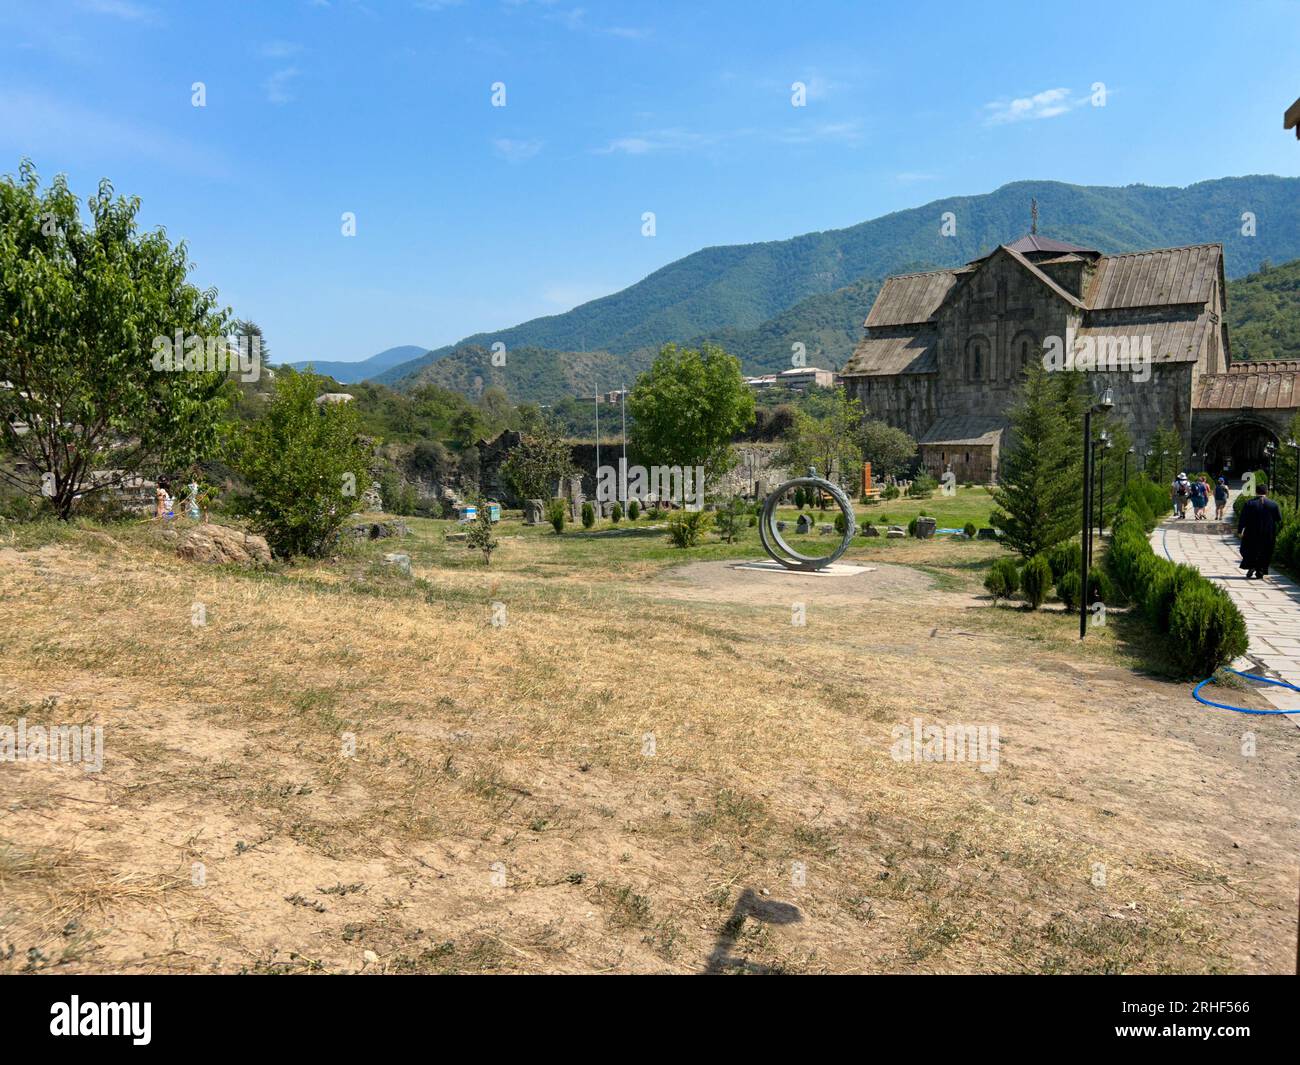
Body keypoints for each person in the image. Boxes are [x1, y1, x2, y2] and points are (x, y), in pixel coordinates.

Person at [1237, 482, 1283, 579]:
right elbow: (1278, 519)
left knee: (1249, 549)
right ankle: (1260, 571)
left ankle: (1252, 565)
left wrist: (1240, 530)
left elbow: (1243, 518)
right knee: (1265, 551)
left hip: (1251, 532)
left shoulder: (1249, 503)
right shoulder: (1273, 505)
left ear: (1256, 491)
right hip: (1268, 533)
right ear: (1267, 492)